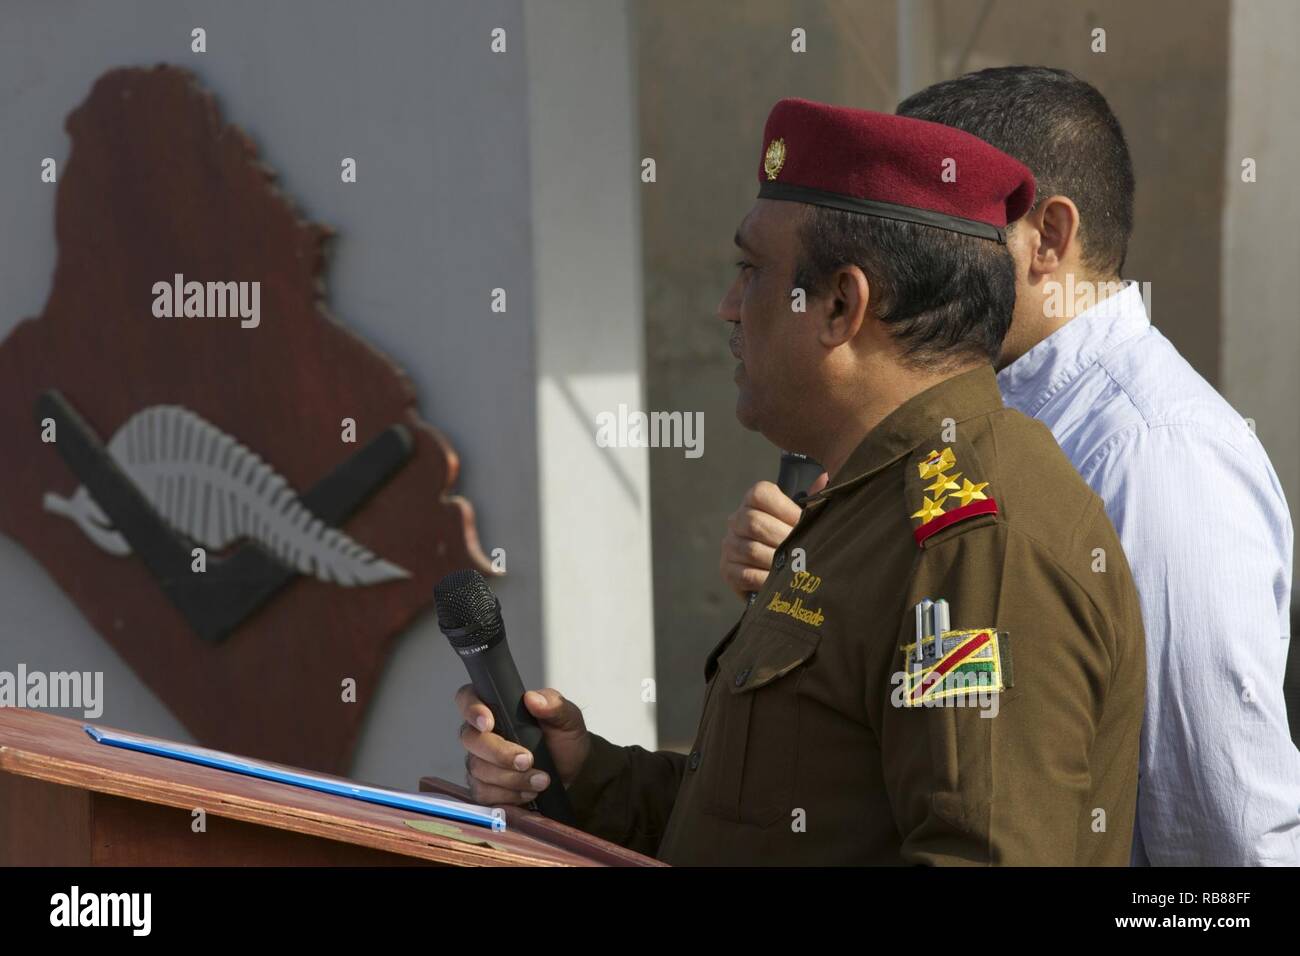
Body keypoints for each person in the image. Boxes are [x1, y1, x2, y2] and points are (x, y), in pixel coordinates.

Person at [456, 97, 1147, 865]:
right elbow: (774, 820)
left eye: (751, 272)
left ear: (843, 305)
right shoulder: (865, 500)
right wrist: (591, 779)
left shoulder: (977, 542)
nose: (727, 307)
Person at [721, 67, 1300, 865]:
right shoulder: (953, 429)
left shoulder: (1157, 455)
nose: (915, 249)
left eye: (958, 219)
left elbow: (1223, 841)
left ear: (1049, 241)